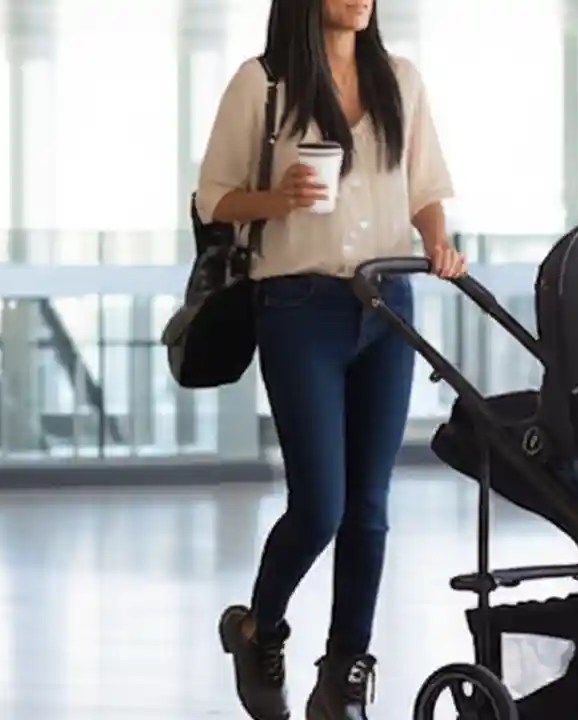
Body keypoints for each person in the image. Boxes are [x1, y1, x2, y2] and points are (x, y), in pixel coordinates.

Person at [194, 1, 464, 718]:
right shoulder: (266, 85)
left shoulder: (399, 80)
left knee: (369, 511)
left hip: (387, 305)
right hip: (297, 310)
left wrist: (439, 239)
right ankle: (261, 628)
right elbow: (213, 198)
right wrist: (278, 199)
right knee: (321, 505)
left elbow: (427, 188)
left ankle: (345, 670)